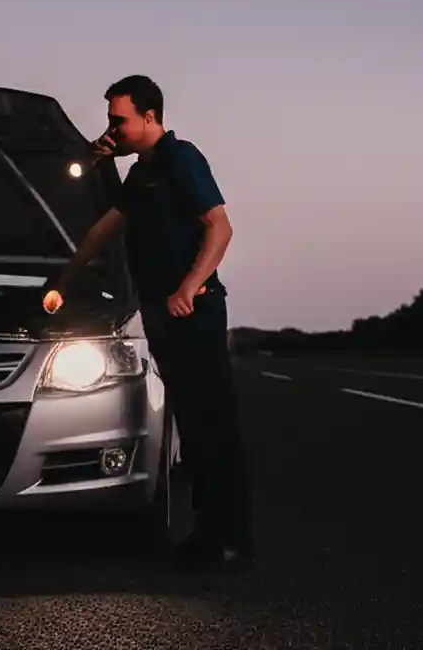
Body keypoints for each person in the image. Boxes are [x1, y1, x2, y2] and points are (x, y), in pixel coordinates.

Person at [42, 75, 256, 571]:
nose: (111, 127)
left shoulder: (182, 160)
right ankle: (208, 536)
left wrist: (187, 287)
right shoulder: (140, 175)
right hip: (161, 314)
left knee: (214, 427)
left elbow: (220, 228)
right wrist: (64, 277)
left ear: (150, 117)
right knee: (195, 431)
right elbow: (103, 229)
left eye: (119, 119)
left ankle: (233, 543)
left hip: (193, 312)